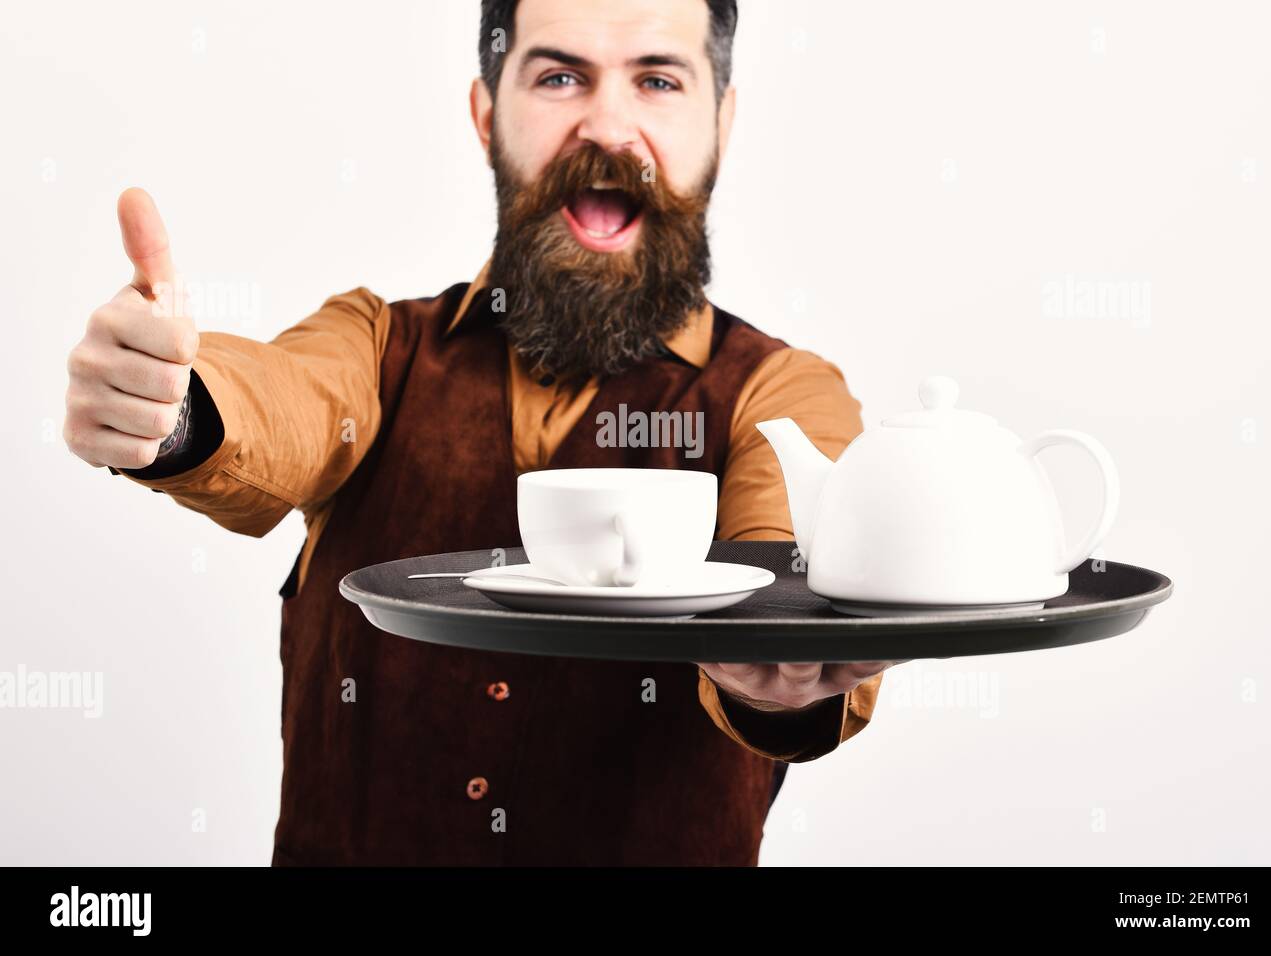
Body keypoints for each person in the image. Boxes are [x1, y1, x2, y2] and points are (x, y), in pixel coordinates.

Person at [62, 0, 903, 865]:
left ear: (720, 120)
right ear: (487, 113)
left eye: (657, 79)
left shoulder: (781, 391)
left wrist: (782, 667)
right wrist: (173, 406)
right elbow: (283, 399)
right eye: (559, 76)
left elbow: (792, 551)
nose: (607, 125)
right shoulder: (377, 346)